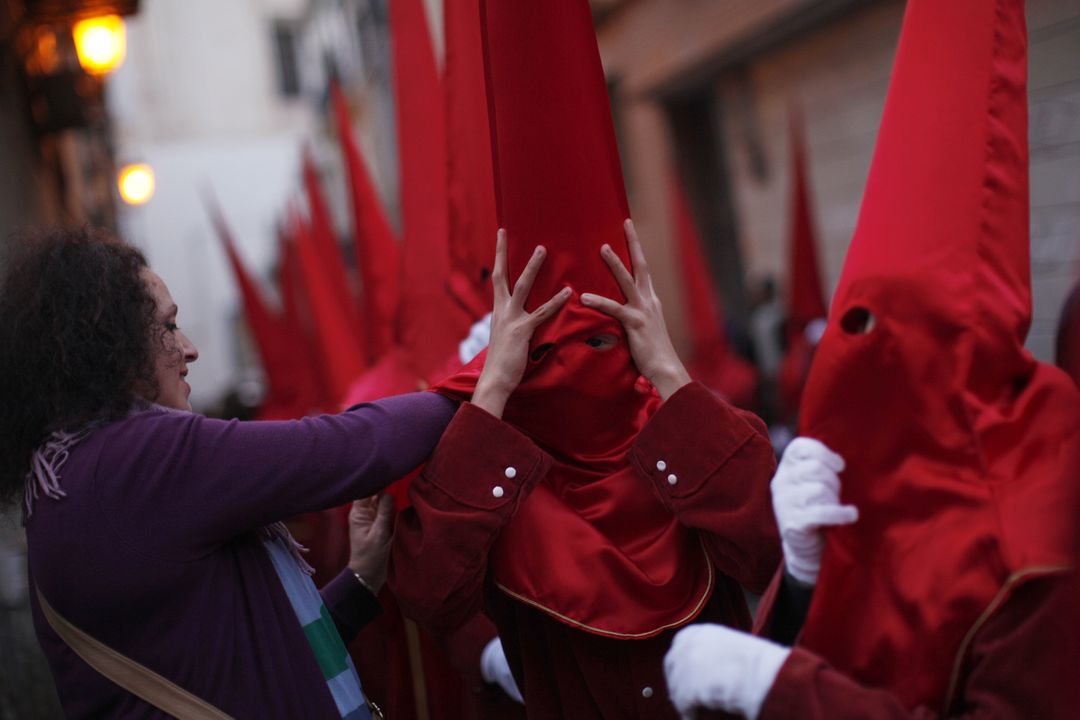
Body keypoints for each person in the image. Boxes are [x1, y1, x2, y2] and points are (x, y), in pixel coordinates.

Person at [662, 1, 1080, 717]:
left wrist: (772, 687)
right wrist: (801, 583)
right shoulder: (886, 481)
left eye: (882, 331)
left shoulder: (1044, 537)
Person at [0, 227, 458, 719]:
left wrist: (361, 580)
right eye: (169, 326)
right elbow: (342, 448)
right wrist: (474, 383)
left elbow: (247, 662)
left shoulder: (72, 471)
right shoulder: (136, 459)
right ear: (111, 346)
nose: (190, 348)